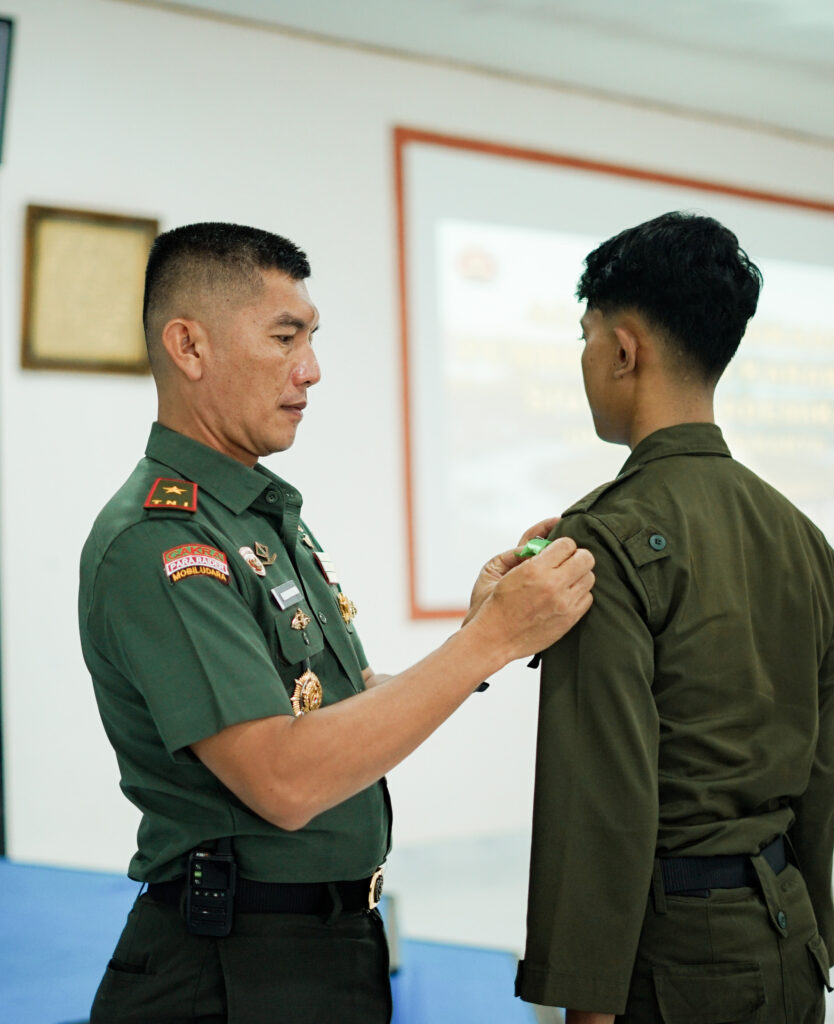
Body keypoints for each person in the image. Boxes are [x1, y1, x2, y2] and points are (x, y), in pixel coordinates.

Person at [78, 222, 595, 1024]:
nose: (310, 371)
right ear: (190, 346)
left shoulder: (255, 517)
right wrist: (488, 642)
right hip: (233, 972)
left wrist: (479, 635)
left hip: (319, 949)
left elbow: (327, 713)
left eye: (311, 338)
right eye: (286, 338)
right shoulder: (166, 538)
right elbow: (284, 780)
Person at [515, 212, 834, 1024]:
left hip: (672, 967)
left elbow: (600, 799)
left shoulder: (601, 539)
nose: (586, 358)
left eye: (586, 335)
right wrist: (815, 936)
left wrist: (586, 1006)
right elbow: (819, 777)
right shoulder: (804, 538)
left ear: (625, 350)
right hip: (787, 936)